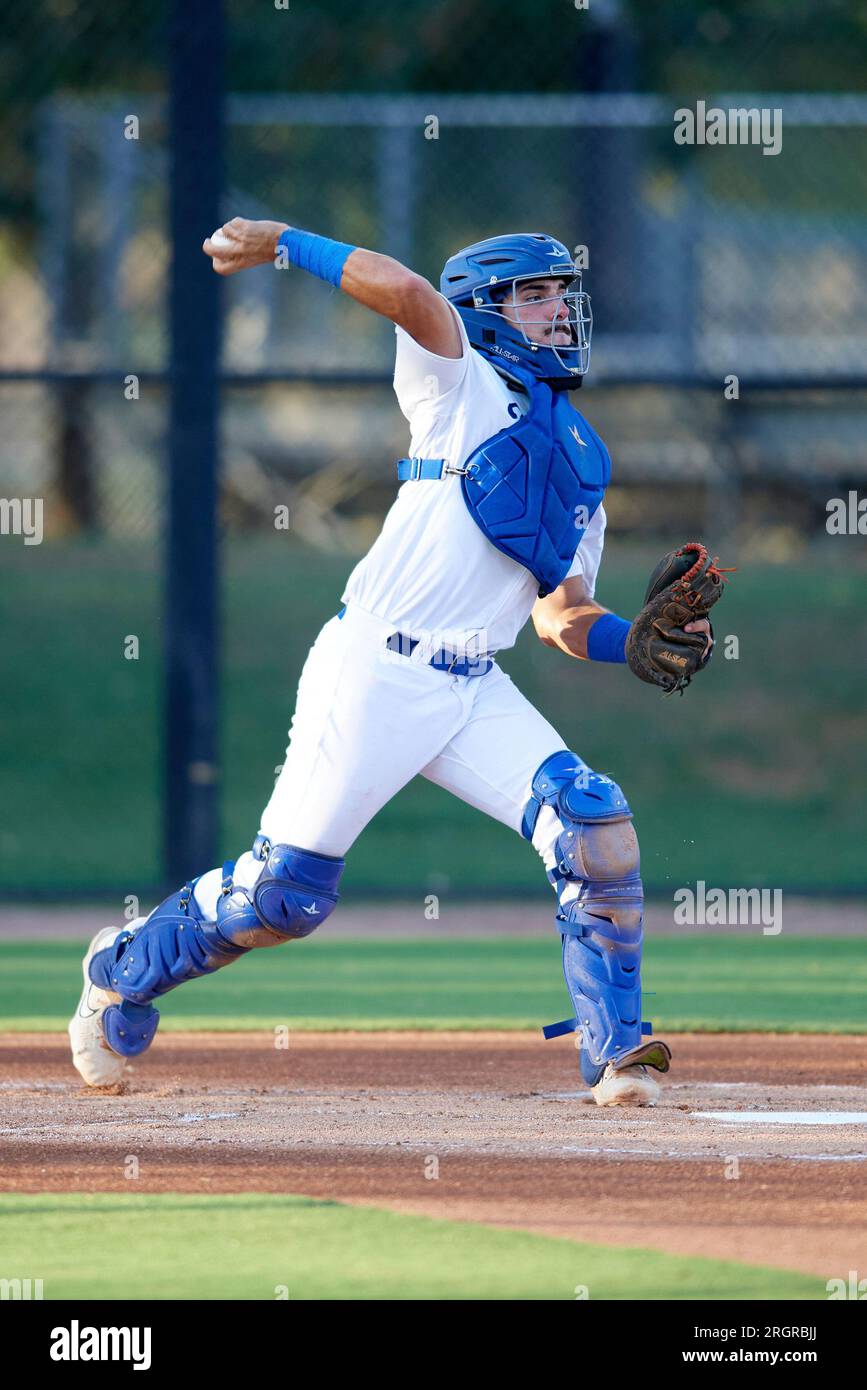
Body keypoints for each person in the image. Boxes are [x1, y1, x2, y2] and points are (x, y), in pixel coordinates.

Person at [70, 224, 712, 1105]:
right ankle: (120, 964)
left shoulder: (579, 456)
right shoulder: (455, 380)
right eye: (533, 293)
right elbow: (408, 293)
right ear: (484, 312)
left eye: (560, 291)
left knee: (592, 821)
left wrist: (628, 640)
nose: (559, 308)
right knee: (282, 898)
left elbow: (560, 613)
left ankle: (612, 1052)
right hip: (375, 666)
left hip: (473, 684)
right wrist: (282, 242)